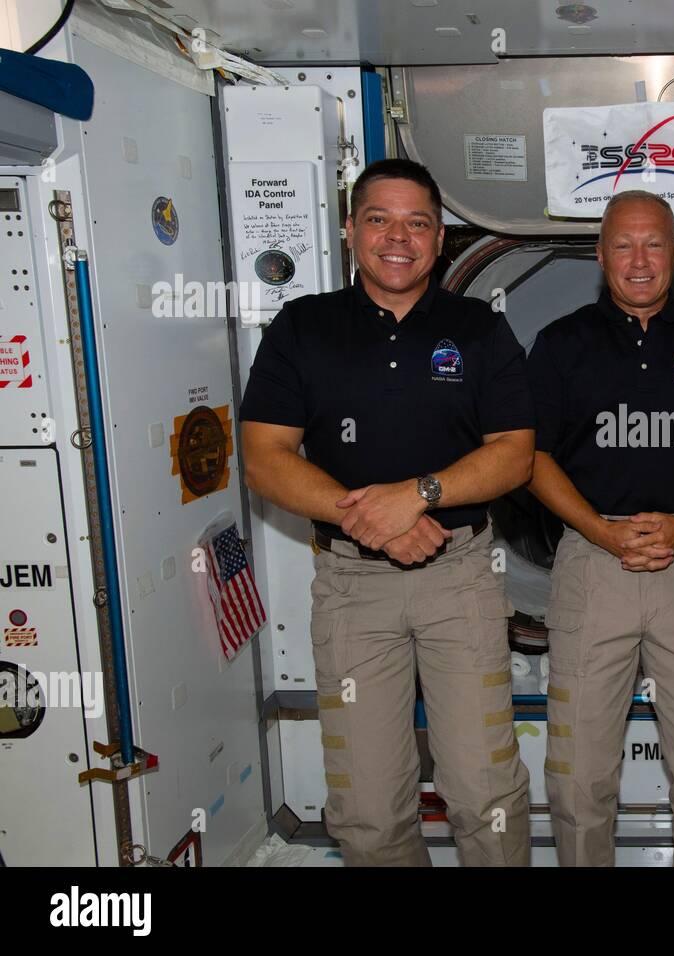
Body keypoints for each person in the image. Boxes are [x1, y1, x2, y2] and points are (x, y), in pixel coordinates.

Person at [239, 158, 532, 866]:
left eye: (418, 223)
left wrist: (417, 495)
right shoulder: (301, 327)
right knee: (367, 808)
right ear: (349, 230)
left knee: (484, 791)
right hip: (352, 586)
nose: (398, 237)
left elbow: (515, 453)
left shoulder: (481, 329)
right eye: (379, 219)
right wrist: (367, 518)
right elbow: (264, 457)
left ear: (439, 240)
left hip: (459, 578)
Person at [525, 190, 674, 866]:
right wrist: (598, 529)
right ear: (600, 256)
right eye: (624, 244)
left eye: (655, 243)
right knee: (579, 771)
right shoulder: (561, 345)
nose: (640, 259)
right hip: (594, 565)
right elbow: (529, 459)